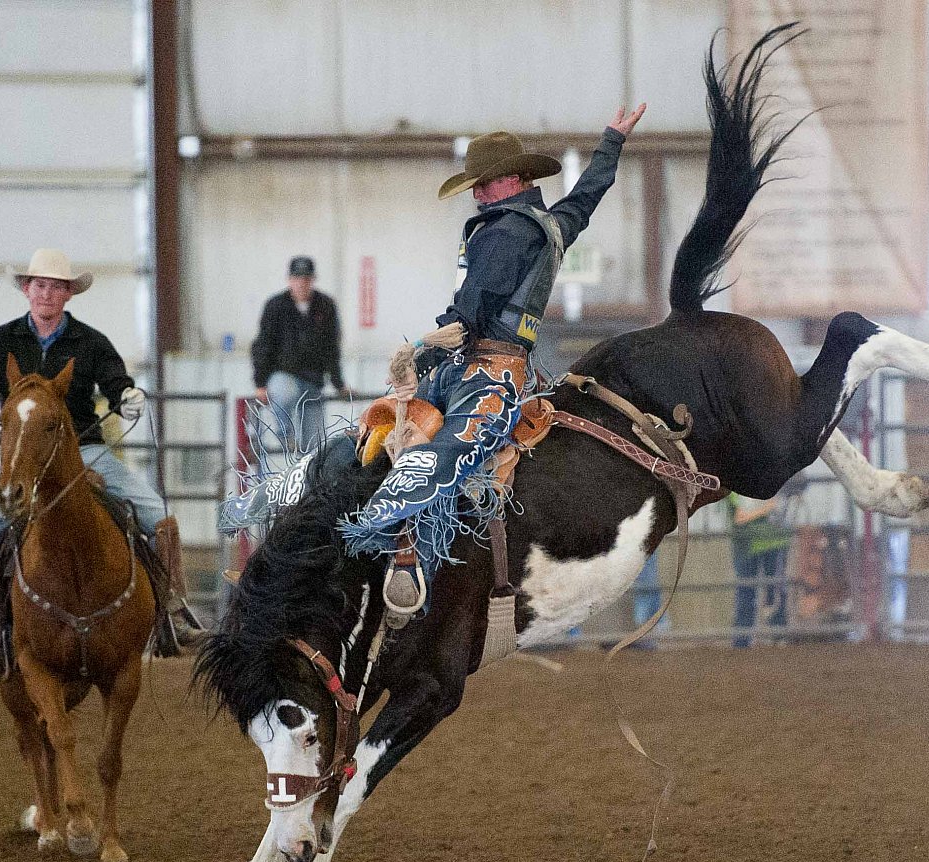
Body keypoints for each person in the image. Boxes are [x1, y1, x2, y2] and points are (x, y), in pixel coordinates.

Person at [341, 104, 646, 611]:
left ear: (509, 180)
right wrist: (611, 141)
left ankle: (397, 549)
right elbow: (587, 196)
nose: (477, 194)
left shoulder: (504, 233)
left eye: (482, 185)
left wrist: (421, 352)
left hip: (479, 371)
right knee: (406, 434)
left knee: (430, 450)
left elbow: (471, 312)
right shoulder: (550, 225)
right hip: (502, 369)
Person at [0, 248, 204, 682]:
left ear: (68, 294)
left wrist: (127, 397)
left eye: (55, 287)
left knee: (159, 517)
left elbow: (115, 379)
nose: (46, 293)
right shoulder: (1, 341)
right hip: (25, 459)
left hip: (82, 450)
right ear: (27, 290)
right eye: (39, 285)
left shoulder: (91, 343)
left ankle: (173, 615)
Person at [251, 256, 346, 454]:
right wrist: (260, 383)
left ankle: (310, 478)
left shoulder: (325, 306)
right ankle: (286, 435)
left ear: (312, 280)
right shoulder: (276, 306)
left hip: (313, 380)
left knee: (315, 444)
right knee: (285, 393)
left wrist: (338, 383)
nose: (302, 283)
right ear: (289, 280)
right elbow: (263, 345)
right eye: (297, 278)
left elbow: (332, 348)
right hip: (283, 374)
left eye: (306, 278)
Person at [729, 478, 802, 648]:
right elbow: (740, 517)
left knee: (770, 592)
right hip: (753, 542)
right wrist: (767, 508)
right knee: (757, 592)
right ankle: (750, 640)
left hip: (767, 541)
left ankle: (752, 640)